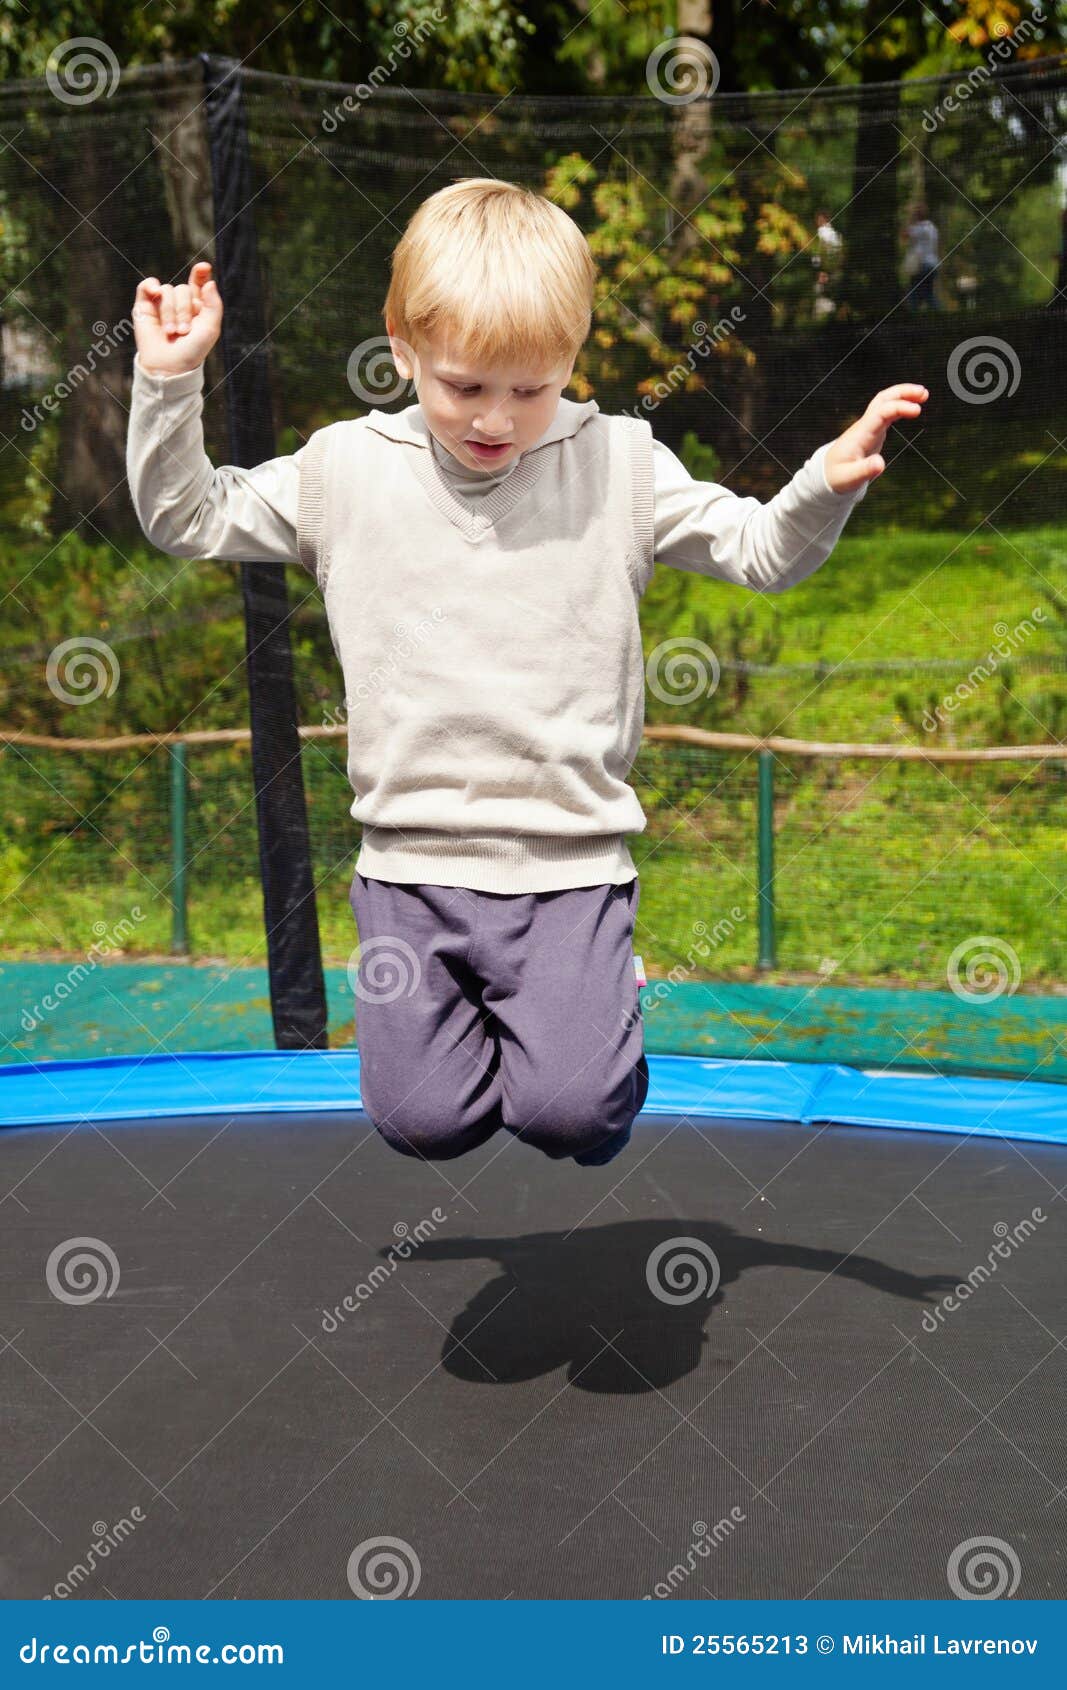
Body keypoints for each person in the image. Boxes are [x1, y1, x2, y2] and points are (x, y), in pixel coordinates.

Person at [125, 179, 927, 1168]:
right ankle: (541, 1026)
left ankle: (596, 1006)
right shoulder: (343, 473)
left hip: (566, 871)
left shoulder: (619, 466)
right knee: (422, 1122)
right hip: (405, 874)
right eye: (464, 387)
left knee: (572, 1114)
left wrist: (819, 485)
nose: (495, 419)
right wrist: (170, 383)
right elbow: (188, 517)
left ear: (571, 360)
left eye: (531, 389)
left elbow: (759, 551)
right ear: (400, 343)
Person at [902, 199, 940, 311]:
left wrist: (909, 216)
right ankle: (939, 314)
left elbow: (903, 235)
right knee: (927, 293)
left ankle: (911, 320)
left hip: (921, 265)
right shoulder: (932, 227)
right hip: (933, 265)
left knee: (914, 295)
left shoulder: (918, 228)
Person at [811, 208, 843, 320]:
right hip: (833, 270)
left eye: (818, 219)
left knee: (822, 294)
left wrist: (819, 270)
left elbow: (818, 253)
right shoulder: (835, 234)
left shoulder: (823, 233)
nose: (816, 222)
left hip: (825, 271)